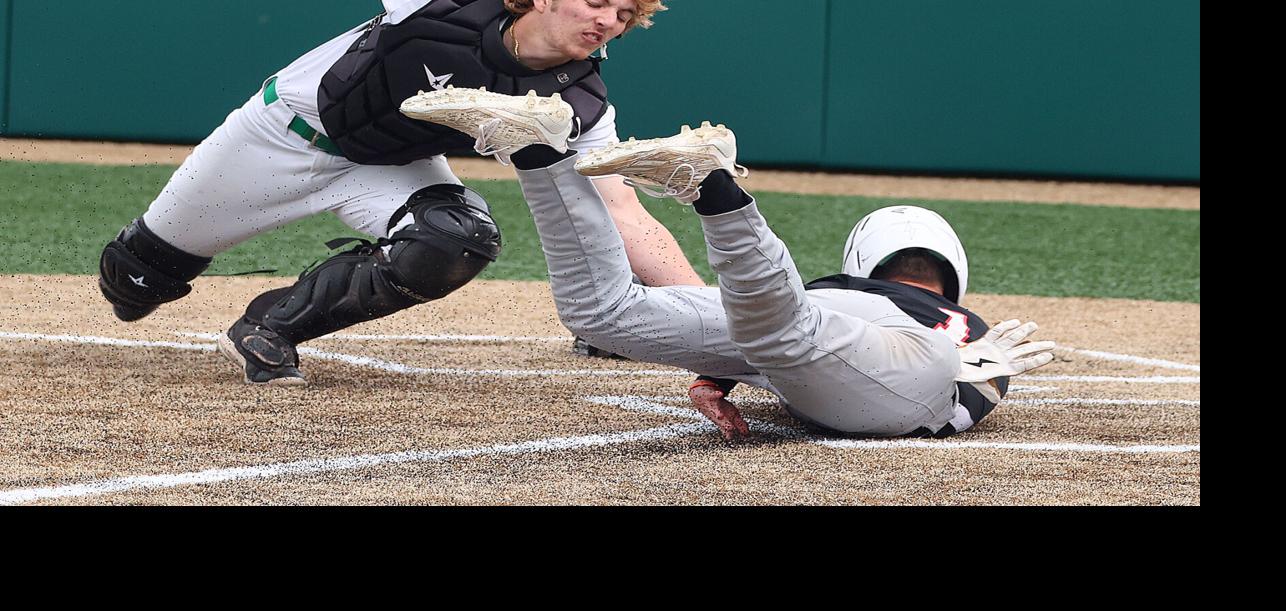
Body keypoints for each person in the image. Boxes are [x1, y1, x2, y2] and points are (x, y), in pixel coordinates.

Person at [96, 0, 700, 386]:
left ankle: (272, 326)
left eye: (623, 14)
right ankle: (145, 266)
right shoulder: (444, 5)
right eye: (596, 2)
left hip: (388, 167)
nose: (607, 21)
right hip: (278, 138)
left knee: (455, 240)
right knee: (134, 284)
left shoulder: (582, 104)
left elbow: (620, 209)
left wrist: (709, 319)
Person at [404, 95, 1057, 437]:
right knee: (782, 330)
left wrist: (715, 376)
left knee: (601, 314)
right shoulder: (959, 320)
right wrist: (975, 363)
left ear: (862, 259)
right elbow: (945, 369)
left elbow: (794, 329)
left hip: (806, 314)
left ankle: (536, 151)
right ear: (953, 273)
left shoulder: (842, 292)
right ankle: (712, 186)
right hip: (889, 351)